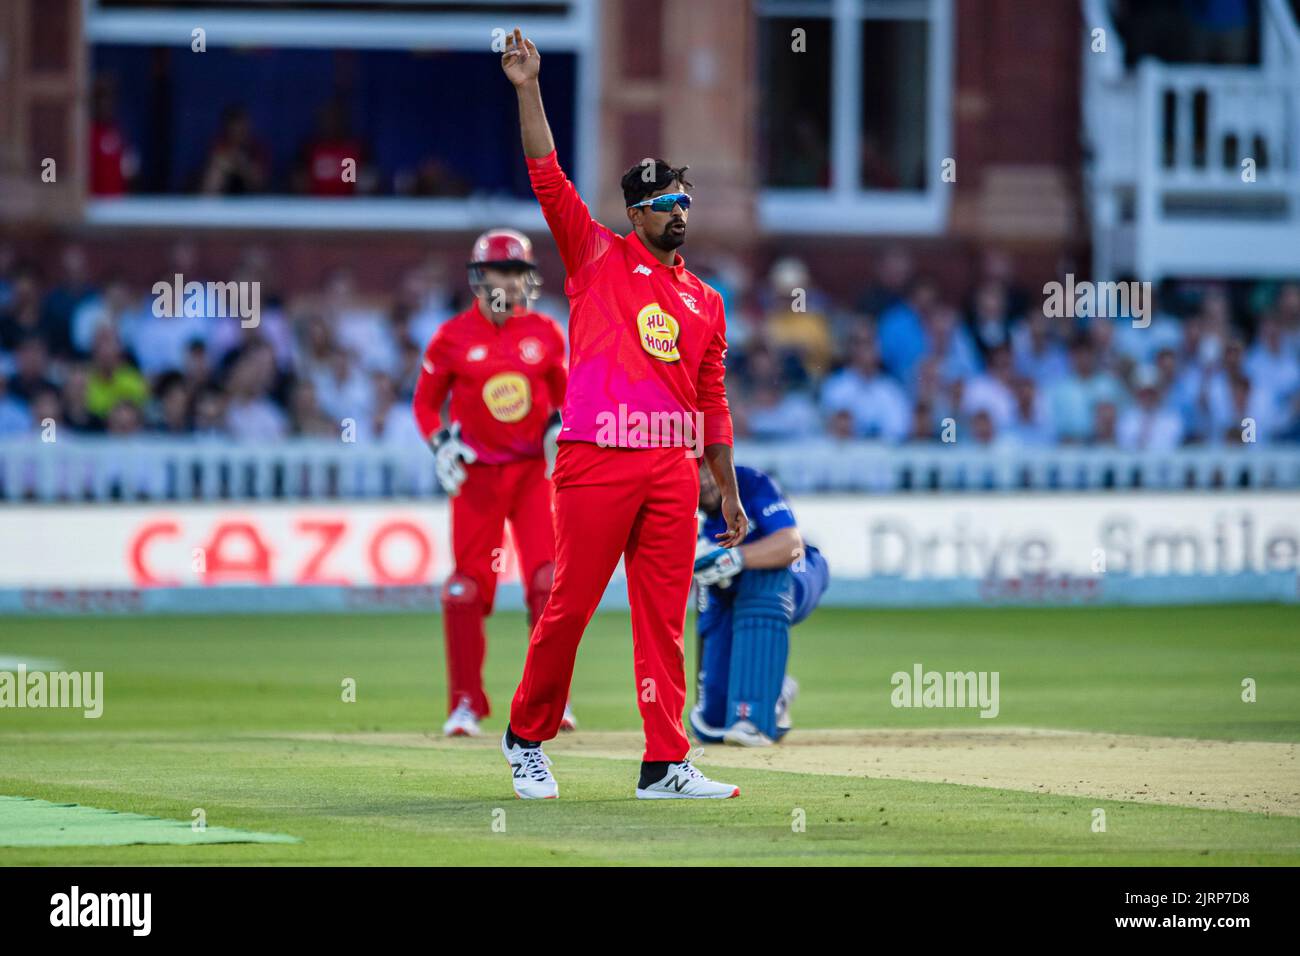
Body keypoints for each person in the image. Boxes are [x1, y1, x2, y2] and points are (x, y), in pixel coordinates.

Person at [498, 28, 747, 800]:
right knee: (570, 603)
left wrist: (726, 489)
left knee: (662, 619)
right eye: (664, 203)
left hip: (673, 469)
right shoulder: (595, 256)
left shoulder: (706, 301)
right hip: (596, 458)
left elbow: (713, 401)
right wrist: (528, 87)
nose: (678, 211)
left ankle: (664, 762)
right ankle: (525, 736)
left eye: (682, 200)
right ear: (636, 214)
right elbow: (547, 176)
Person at [412, 229, 568, 738]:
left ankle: (549, 700)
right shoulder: (451, 337)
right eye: (498, 272)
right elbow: (424, 404)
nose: (507, 282)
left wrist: (557, 429)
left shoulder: (546, 333)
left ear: (528, 280)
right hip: (476, 476)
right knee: (463, 590)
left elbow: (571, 401)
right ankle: (464, 704)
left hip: (530, 475)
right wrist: (441, 444)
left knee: (548, 583)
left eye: (516, 273)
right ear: (479, 279)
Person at [690, 463, 828, 747]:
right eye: (696, 471)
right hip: (726, 595)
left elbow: (791, 545)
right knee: (712, 724)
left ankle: (754, 718)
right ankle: (775, 690)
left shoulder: (750, 482)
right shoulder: (676, 498)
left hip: (794, 573)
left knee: (761, 584)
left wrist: (733, 559)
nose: (705, 482)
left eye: (709, 470)